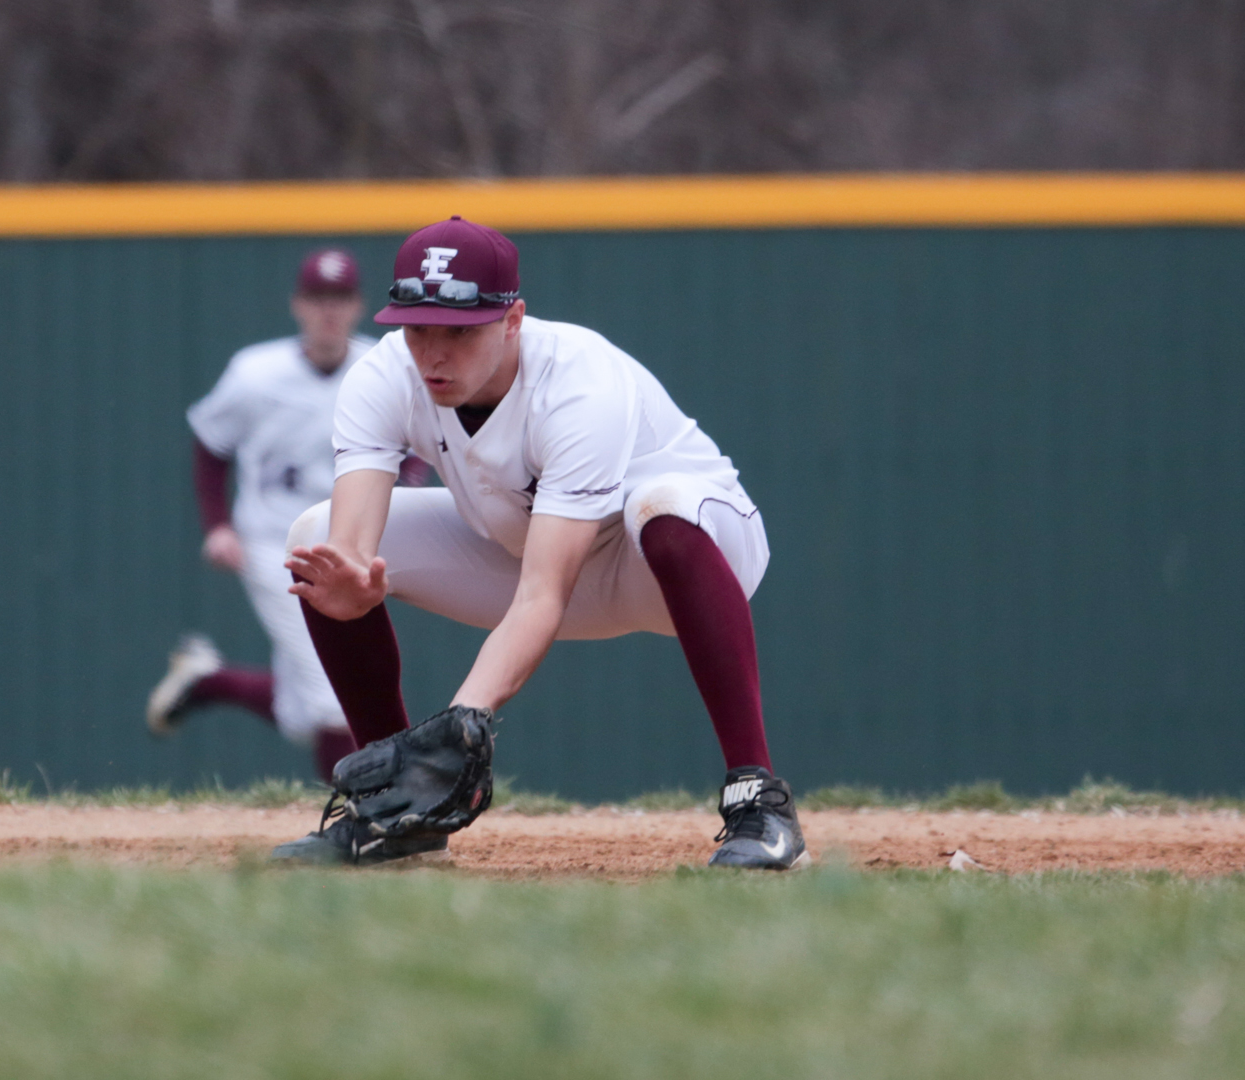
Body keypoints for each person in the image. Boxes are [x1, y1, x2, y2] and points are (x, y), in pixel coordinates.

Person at [271, 216, 807, 870]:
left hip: (682, 554)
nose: (433, 352)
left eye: (459, 331)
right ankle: (397, 812)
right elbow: (351, 551)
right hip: (527, 549)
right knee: (313, 535)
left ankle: (760, 800)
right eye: (416, 327)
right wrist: (350, 587)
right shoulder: (383, 376)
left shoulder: (580, 384)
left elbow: (542, 597)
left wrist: (466, 715)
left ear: (513, 318)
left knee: (659, 504)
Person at [148, 247, 387, 782]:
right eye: (319, 298)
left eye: (341, 298)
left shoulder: (380, 368)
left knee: (299, 712)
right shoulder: (255, 373)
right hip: (273, 544)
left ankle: (204, 682)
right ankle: (364, 817)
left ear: (358, 305)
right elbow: (211, 444)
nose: (330, 310)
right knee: (331, 697)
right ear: (298, 305)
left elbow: (414, 446)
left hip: (343, 544)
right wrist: (217, 525)